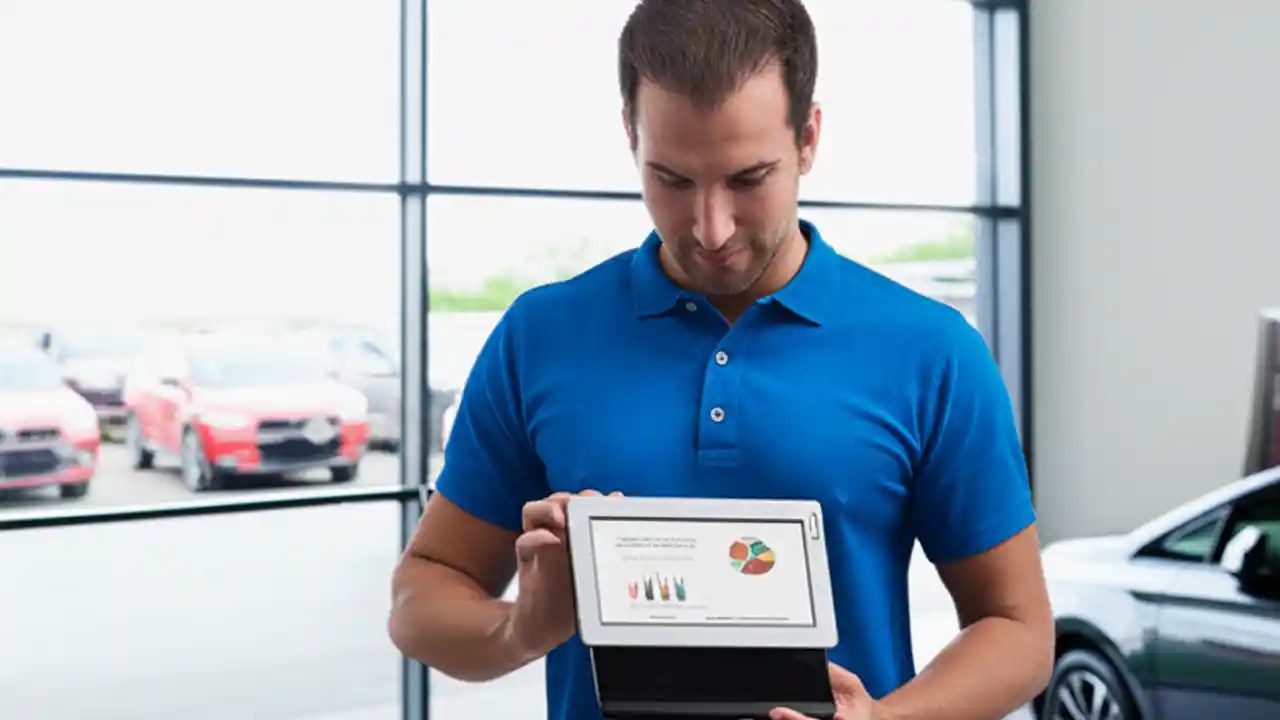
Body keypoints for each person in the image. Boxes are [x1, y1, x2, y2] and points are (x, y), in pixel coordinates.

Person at [388, 1, 1054, 718]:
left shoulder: (932, 350)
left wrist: (887, 719)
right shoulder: (539, 335)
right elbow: (423, 596)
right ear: (629, 136)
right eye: (672, 180)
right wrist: (523, 628)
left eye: (747, 178)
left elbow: (1017, 629)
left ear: (808, 139)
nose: (711, 227)